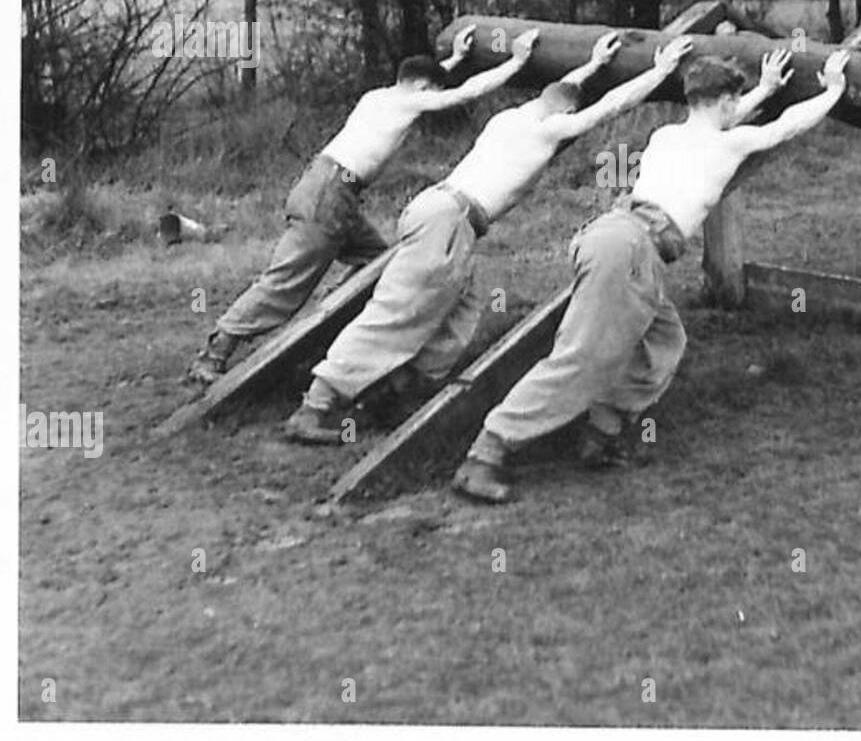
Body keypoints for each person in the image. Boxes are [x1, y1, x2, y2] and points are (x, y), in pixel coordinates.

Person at [452, 46, 852, 503]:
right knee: (581, 358)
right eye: (732, 104)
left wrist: (763, 88)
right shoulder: (728, 142)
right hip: (630, 250)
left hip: (614, 239)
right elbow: (787, 127)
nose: (734, 112)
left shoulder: (667, 135)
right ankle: (485, 454)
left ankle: (600, 437)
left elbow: (723, 118)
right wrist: (834, 90)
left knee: (663, 341)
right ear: (724, 104)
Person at [282, 29, 695, 445]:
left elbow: (562, 92)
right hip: (450, 219)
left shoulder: (512, 118)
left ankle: (394, 393)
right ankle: (317, 405)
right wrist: (659, 71)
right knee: (398, 312)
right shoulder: (546, 131)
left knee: (465, 306)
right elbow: (611, 106)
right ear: (561, 115)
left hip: (436, 211)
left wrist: (594, 64)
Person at [185, 25, 525, 384]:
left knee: (378, 264)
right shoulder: (405, 100)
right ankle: (214, 354)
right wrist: (516, 63)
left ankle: (331, 329)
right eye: (431, 89)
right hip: (329, 194)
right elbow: (462, 94)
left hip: (332, 190)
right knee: (285, 283)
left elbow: (429, 85)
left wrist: (455, 57)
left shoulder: (379, 96)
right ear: (423, 88)